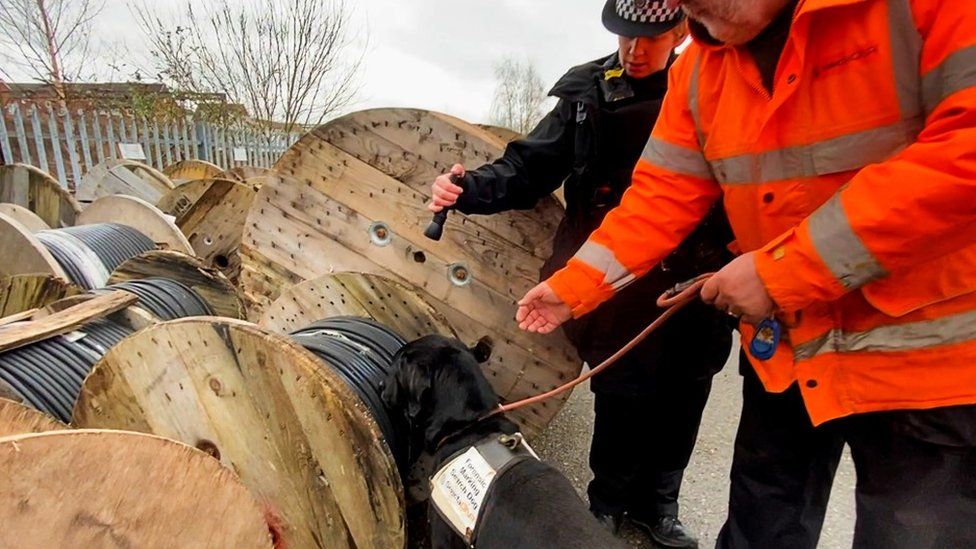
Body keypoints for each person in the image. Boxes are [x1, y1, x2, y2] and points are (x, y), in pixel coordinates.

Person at [515, 0, 976, 547]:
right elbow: (659, 197)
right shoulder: (698, 72)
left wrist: (784, 271)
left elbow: (964, 152)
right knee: (759, 530)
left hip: (927, 361)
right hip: (786, 353)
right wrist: (572, 287)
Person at [429, 1, 735, 546]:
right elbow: (528, 167)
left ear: (681, 30)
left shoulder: (709, 86)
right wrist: (468, 189)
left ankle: (659, 506)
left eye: (650, 38)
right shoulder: (588, 95)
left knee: (686, 392)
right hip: (608, 274)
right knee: (622, 394)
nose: (634, 50)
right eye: (624, 36)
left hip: (694, 275)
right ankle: (608, 503)